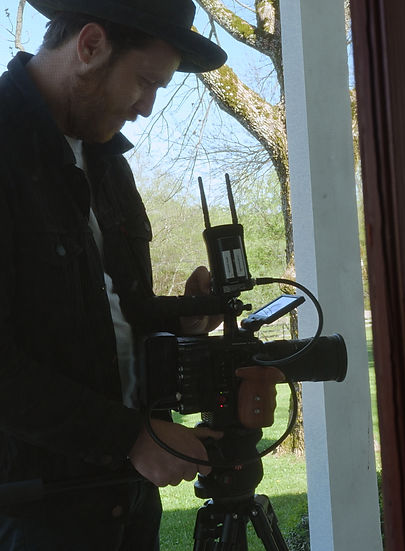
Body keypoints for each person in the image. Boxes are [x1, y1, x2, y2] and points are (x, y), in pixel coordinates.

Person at [0, 0, 231, 548]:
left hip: (124, 496)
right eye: (145, 82)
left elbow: (112, 317)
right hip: (31, 512)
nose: (147, 109)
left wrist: (183, 327)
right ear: (91, 46)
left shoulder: (107, 163)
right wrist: (128, 437)